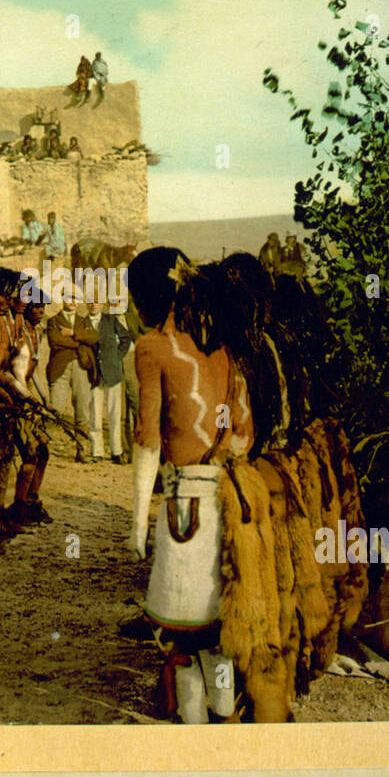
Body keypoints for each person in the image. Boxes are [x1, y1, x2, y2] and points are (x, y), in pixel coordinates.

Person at [125, 247, 268, 724]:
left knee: (182, 639)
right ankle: (224, 720)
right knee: (217, 633)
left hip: (184, 511)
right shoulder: (226, 349)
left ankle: (195, 736)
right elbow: (245, 436)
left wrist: (136, 528)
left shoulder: (152, 348)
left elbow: (147, 441)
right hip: (231, 500)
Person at [46, 293, 98, 464]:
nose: (73, 302)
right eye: (69, 298)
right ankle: (43, 449)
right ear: (62, 299)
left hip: (81, 367)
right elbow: (55, 341)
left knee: (82, 410)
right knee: (54, 409)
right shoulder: (54, 320)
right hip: (59, 368)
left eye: (76, 298)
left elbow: (94, 337)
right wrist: (79, 342)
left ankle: (81, 451)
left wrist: (72, 333)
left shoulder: (83, 320)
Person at [87, 296, 133, 464]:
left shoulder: (110, 319)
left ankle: (116, 451)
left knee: (115, 414)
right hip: (93, 375)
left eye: (96, 301)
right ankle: (97, 451)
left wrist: (117, 357)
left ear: (102, 304)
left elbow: (125, 339)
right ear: (86, 304)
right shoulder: (83, 322)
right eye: (90, 302)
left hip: (113, 373)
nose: (93, 305)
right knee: (95, 413)